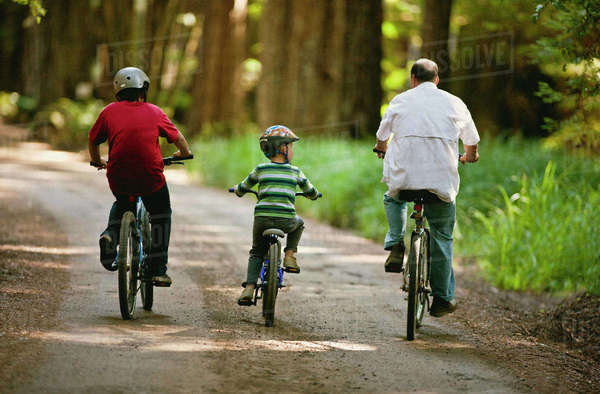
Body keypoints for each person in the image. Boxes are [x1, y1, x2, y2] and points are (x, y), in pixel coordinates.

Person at [374, 58, 480, 317]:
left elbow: (381, 137)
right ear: (437, 80)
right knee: (442, 235)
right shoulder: (455, 102)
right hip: (439, 184)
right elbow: (472, 143)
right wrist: (468, 157)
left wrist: (381, 149)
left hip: (405, 181)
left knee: (393, 196)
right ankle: (443, 298)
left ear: (412, 79)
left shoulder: (399, 101)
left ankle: (396, 242)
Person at [89, 66, 192, 287]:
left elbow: (93, 139)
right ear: (143, 90)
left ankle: (110, 235)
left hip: (119, 175)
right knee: (161, 213)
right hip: (149, 176)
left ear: (117, 92)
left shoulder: (108, 112)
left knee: (124, 201)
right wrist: (183, 154)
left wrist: (97, 160)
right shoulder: (155, 112)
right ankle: (158, 269)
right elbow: (179, 139)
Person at [233, 125, 319, 305]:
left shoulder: (261, 169)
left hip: (262, 219)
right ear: (282, 148)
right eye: (291, 146)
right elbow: (310, 190)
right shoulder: (295, 172)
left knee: (257, 251)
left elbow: (243, 187)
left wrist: (238, 190)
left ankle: (249, 287)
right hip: (286, 220)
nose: (292, 151)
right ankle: (289, 255)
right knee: (300, 223)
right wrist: (313, 195)